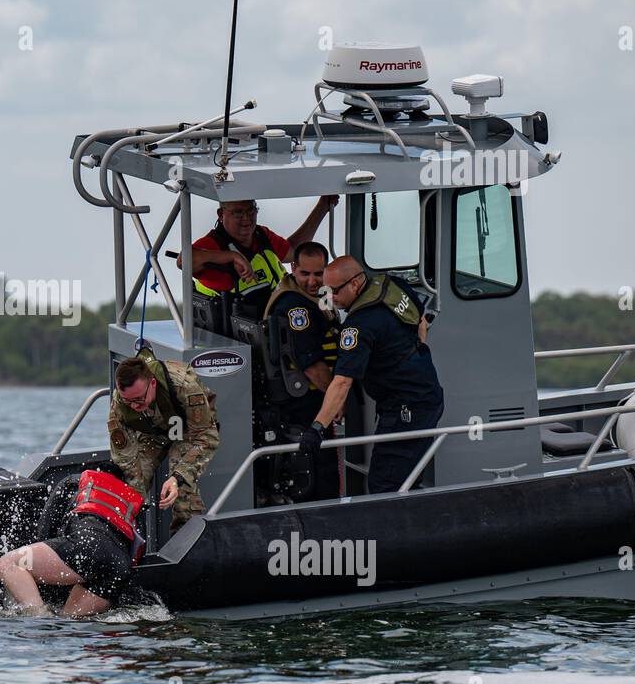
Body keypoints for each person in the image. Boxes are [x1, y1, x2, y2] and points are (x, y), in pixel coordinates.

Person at [298, 256, 444, 494]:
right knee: (405, 478)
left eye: (333, 291)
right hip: (425, 395)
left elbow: (342, 382)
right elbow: (421, 324)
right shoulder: (393, 286)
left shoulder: (359, 326)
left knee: (385, 486)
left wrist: (317, 428)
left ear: (355, 284)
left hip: (407, 408)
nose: (329, 297)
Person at [0, 469, 144, 617]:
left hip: (89, 546)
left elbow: (45, 529)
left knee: (9, 563)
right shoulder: (127, 503)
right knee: (68, 621)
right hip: (119, 568)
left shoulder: (74, 481)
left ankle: (39, 617)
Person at [261, 241, 341, 501]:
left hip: (312, 397)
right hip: (308, 400)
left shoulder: (318, 295)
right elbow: (312, 365)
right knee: (324, 471)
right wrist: (337, 400)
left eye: (318, 274)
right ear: (293, 268)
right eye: (305, 274)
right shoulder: (297, 307)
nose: (312, 281)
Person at [107, 350, 221, 531]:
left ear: (152, 383)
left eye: (139, 399)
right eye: (129, 402)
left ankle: (190, 539)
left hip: (191, 431)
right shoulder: (120, 404)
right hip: (154, 432)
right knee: (128, 487)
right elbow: (125, 457)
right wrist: (137, 495)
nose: (135, 407)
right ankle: (126, 534)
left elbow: (207, 437)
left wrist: (178, 477)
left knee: (182, 492)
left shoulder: (183, 385)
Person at [178, 196, 338, 319]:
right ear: (221, 214)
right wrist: (232, 256)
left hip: (282, 315)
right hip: (245, 331)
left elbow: (293, 250)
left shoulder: (261, 235)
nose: (246, 218)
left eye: (251, 211)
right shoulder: (210, 244)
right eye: (238, 213)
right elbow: (183, 261)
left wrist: (322, 206)